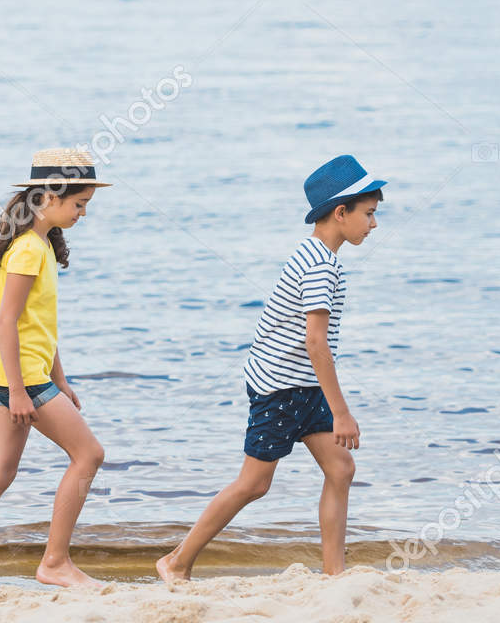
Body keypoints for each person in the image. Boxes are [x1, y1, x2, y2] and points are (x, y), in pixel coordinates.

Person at [158, 154, 385, 580]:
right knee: (254, 484)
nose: (373, 225)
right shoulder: (320, 266)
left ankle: (334, 574)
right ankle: (175, 562)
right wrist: (341, 411)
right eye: (369, 214)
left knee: (341, 468)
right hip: (282, 389)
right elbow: (315, 342)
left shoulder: (317, 256)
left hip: (302, 384)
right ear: (341, 213)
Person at [0, 147, 111, 591]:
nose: (82, 214)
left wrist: (60, 377)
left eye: (86, 206)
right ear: (49, 198)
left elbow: (40, 324)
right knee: (89, 454)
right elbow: (6, 321)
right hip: (19, 378)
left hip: (15, 373)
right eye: (79, 205)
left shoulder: (39, 246)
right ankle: (54, 562)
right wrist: (20, 390)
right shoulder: (28, 252)